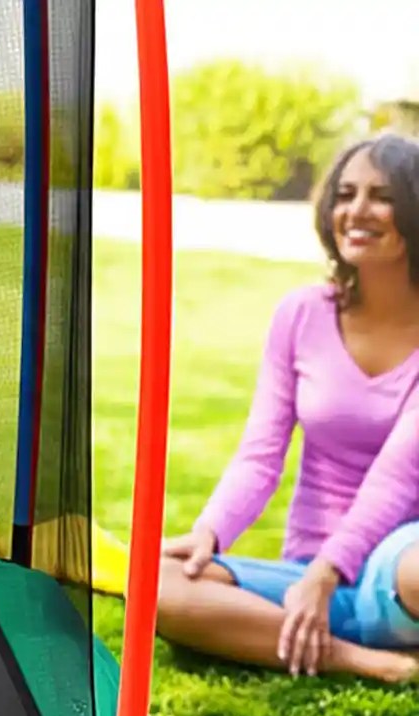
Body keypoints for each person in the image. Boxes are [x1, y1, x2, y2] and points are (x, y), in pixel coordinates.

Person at [156, 133, 419, 683]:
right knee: (159, 582)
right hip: (303, 570)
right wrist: (210, 533)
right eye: (345, 194)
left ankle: (307, 629)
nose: (356, 211)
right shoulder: (301, 315)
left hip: (396, 570)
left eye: (382, 196)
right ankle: (365, 660)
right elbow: (260, 455)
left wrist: (330, 572)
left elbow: (396, 480)